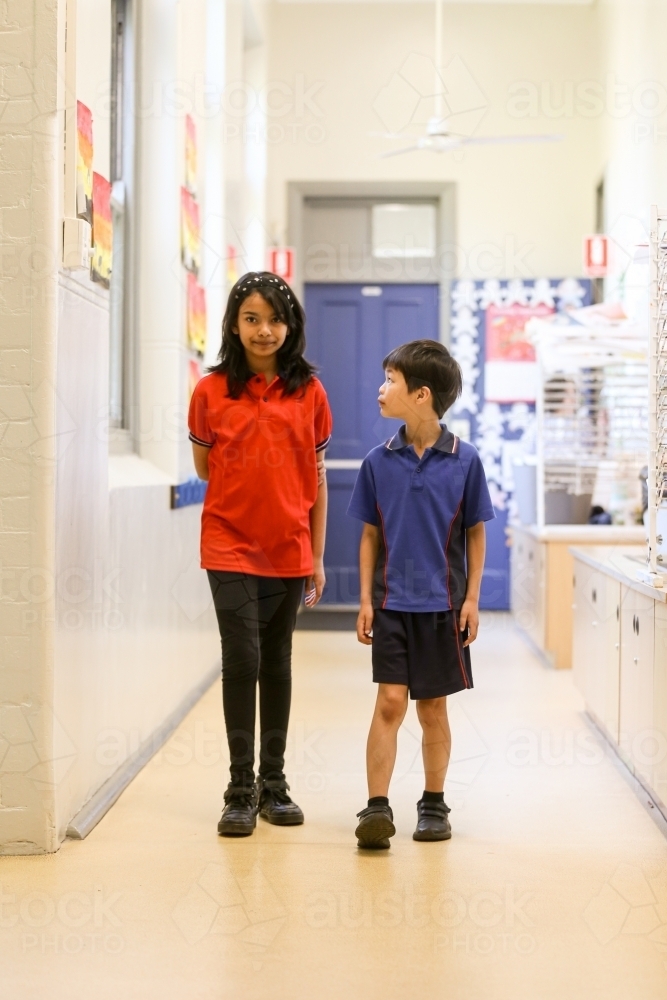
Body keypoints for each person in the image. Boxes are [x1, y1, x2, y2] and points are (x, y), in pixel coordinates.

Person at [188, 271, 332, 837]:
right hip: (227, 543)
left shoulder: (310, 392)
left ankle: (275, 784)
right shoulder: (209, 390)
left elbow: (316, 480)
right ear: (233, 324)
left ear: (290, 324)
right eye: (252, 319)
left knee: (276, 660)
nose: (264, 330)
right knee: (241, 658)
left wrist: (318, 556)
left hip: (290, 546)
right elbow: (206, 468)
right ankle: (239, 788)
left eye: (275, 319)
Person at [347, 340, 494, 849]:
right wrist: (366, 599)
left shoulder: (465, 461)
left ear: (422, 394)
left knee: (432, 708)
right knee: (389, 702)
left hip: (443, 609)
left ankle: (434, 804)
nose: (381, 389)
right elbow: (369, 535)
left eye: (391, 380)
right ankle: (376, 808)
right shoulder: (376, 462)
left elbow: (476, 532)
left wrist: (472, 598)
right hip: (391, 604)